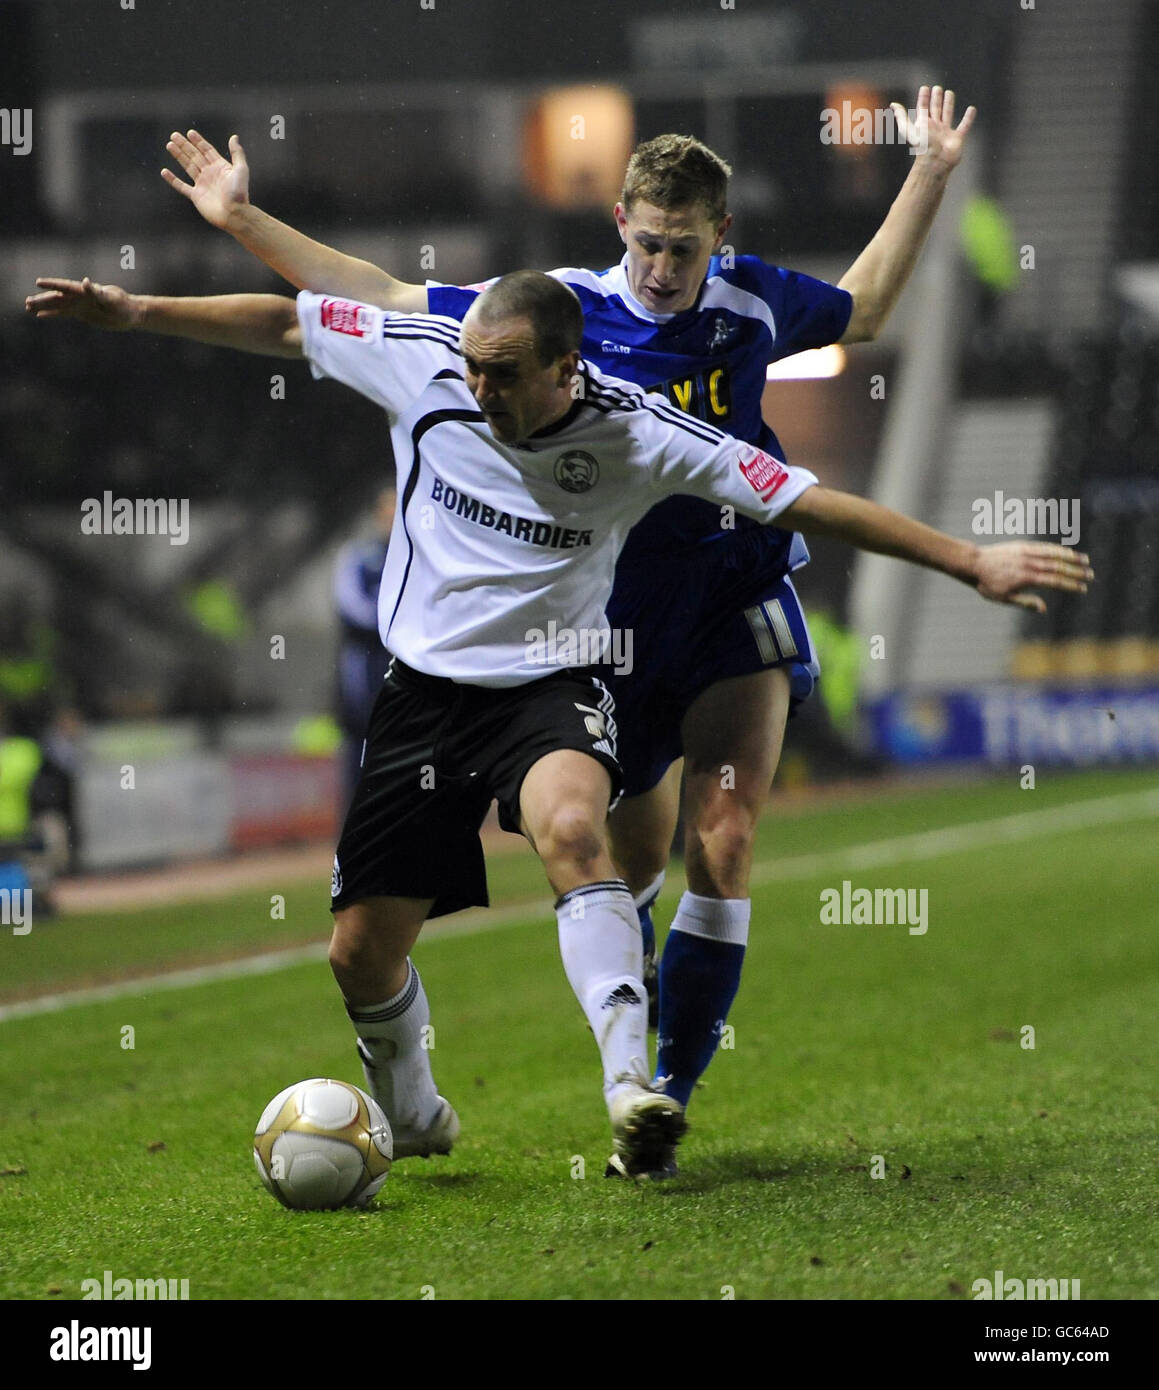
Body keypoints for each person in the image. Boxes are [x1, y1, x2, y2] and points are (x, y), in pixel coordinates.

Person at [26, 270, 1090, 1180]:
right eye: (474, 365)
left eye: (502, 372)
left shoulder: (638, 431)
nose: (477, 385)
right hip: (423, 694)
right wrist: (133, 309)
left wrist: (969, 559)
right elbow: (287, 320)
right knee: (358, 954)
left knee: (574, 835)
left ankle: (631, 1082)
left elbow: (805, 500)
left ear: (565, 368)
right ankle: (411, 1105)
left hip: (554, 685)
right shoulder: (424, 357)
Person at [155, 87, 977, 1127]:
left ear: (718, 238)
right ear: (618, 226)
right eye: (648, 246)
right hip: (612, 620)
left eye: (685, 250)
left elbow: (862, 308)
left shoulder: (753, 304)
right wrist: (239, 220)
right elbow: (382, 292)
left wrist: (929, 172)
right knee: (628, 859)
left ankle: (661, 1097)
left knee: (721, 843)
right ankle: (620, 1027)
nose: (664, 269)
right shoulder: (555, 312)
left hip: (732, 592)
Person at [333, 486, 396, 809]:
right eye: (387, 512)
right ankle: (353, 829)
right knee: (360, 747)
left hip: (405, 663)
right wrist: (395, 621)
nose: (393, 518)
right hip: (365, 666)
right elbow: (351, 606)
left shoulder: (415, 554)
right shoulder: (358, 556)